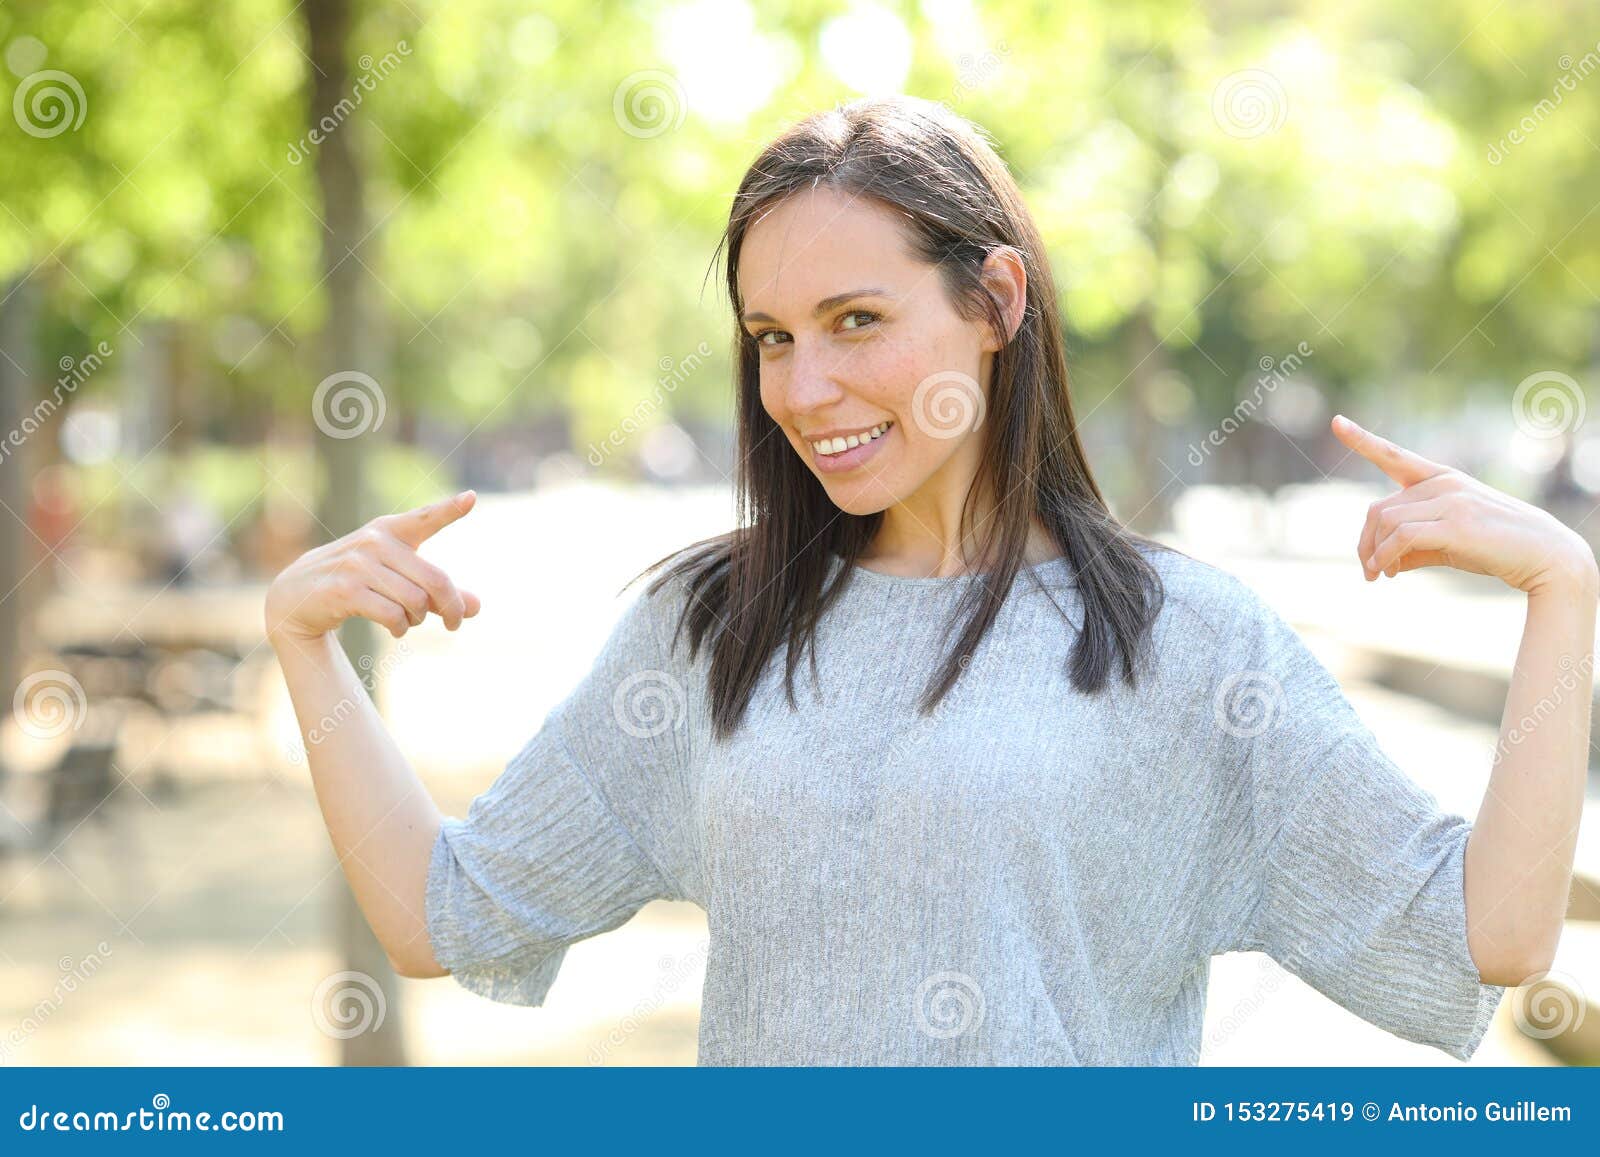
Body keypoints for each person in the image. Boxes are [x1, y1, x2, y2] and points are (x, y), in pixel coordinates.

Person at [265, 95, 1597, 1065]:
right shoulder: (710, 627)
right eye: (772, 337)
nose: (804, 387)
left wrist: (1565, 592)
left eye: (857, 322)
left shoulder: (1188, 643)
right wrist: (304, 643)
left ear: (998, 300)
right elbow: (444, 912)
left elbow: (1487, 934)